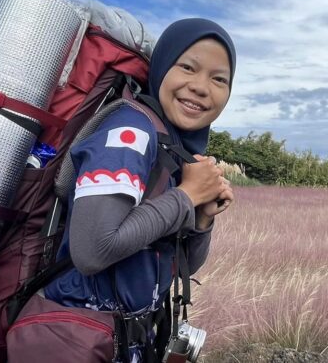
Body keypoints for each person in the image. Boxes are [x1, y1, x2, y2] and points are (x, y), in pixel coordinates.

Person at [42, 18, 237, 362]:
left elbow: (181, 266)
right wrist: (187, 196)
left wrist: (202, 218)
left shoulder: (171, 147)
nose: (201, 87)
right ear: (161, 68)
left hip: (129, 340)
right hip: (77, 338)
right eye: (187, 67)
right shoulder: (129, 133)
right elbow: (92, 251)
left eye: (219, 79)